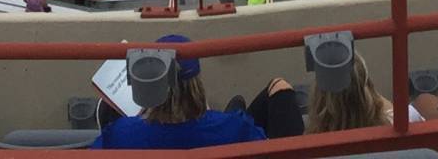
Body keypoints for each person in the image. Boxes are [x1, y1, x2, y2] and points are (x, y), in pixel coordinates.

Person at [93, 32, 299, 147]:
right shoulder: (235, 127)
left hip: (143, 131)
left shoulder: (121, 133)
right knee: (242, 104)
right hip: (216, 128)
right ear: (196, 83)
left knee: (109, 112)